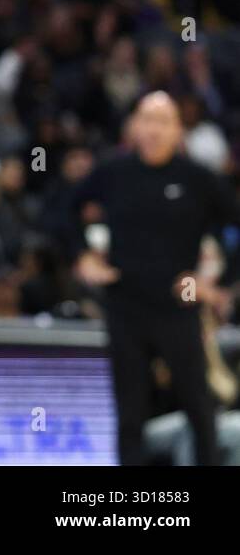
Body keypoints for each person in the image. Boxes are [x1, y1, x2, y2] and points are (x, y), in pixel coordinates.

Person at [73, 91, 238, 465]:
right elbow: (63, 212)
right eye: (146, 119)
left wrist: (217, 282)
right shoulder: (114, 173)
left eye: (163, 120)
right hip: (125, 305)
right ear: (133, 126)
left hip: (177, 309)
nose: (153, 129)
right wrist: (81, 256)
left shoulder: (198, 179)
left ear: (179, 129)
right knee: (130, 412)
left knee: (199, 405)